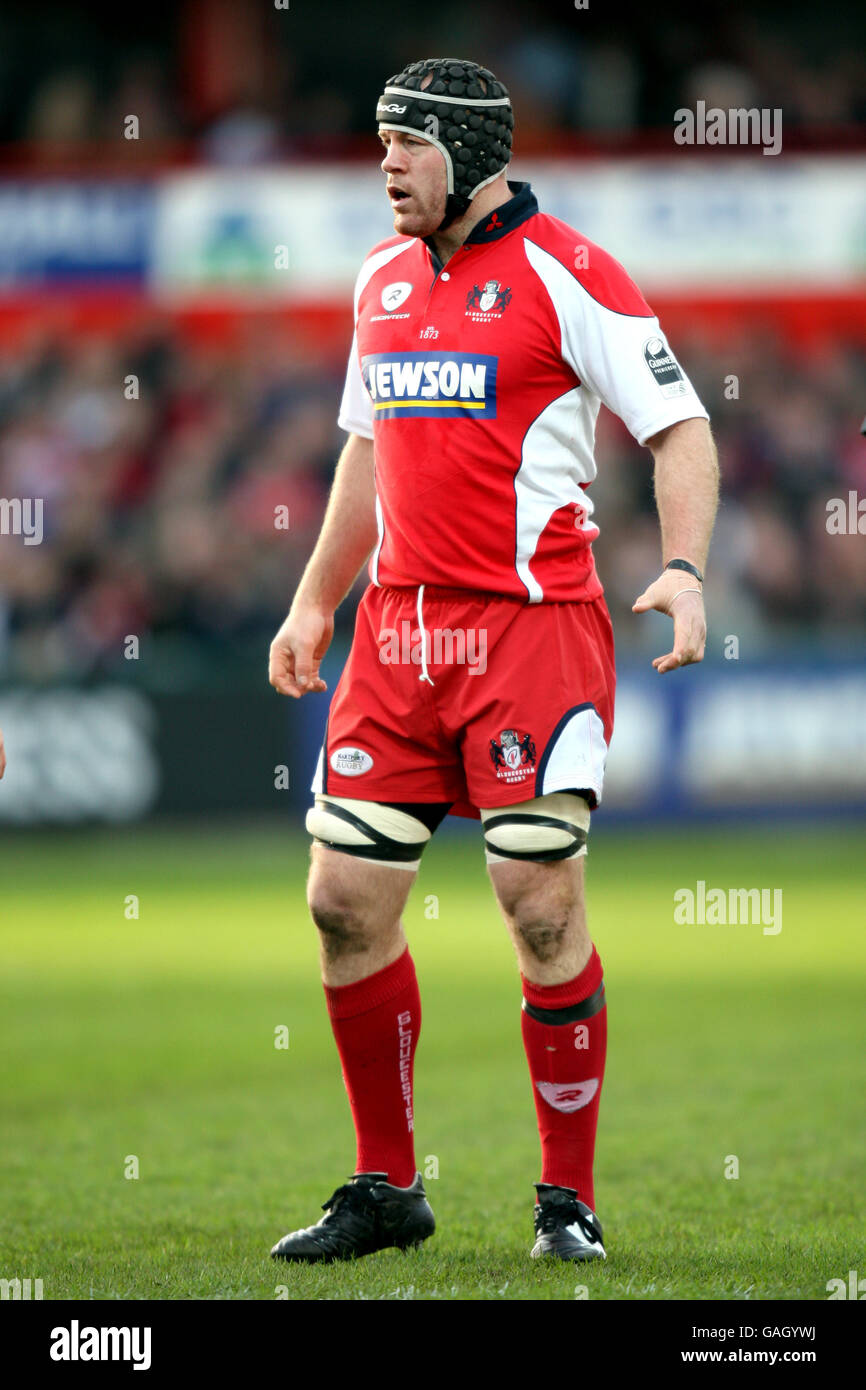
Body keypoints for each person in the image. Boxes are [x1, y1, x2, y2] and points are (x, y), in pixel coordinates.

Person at [268, 57, 718, 1264]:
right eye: (379, 144)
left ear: (467, 152)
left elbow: (680, 426)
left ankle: (563, 1199)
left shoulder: (572, 274)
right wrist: (315, 602)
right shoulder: (377, 279)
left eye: (405, 145)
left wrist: (682, 567)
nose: (386, 167)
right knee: (340, 901)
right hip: (399, 637)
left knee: (538, 907)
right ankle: (385, 1185)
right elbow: (366, 459)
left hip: (529, 632)